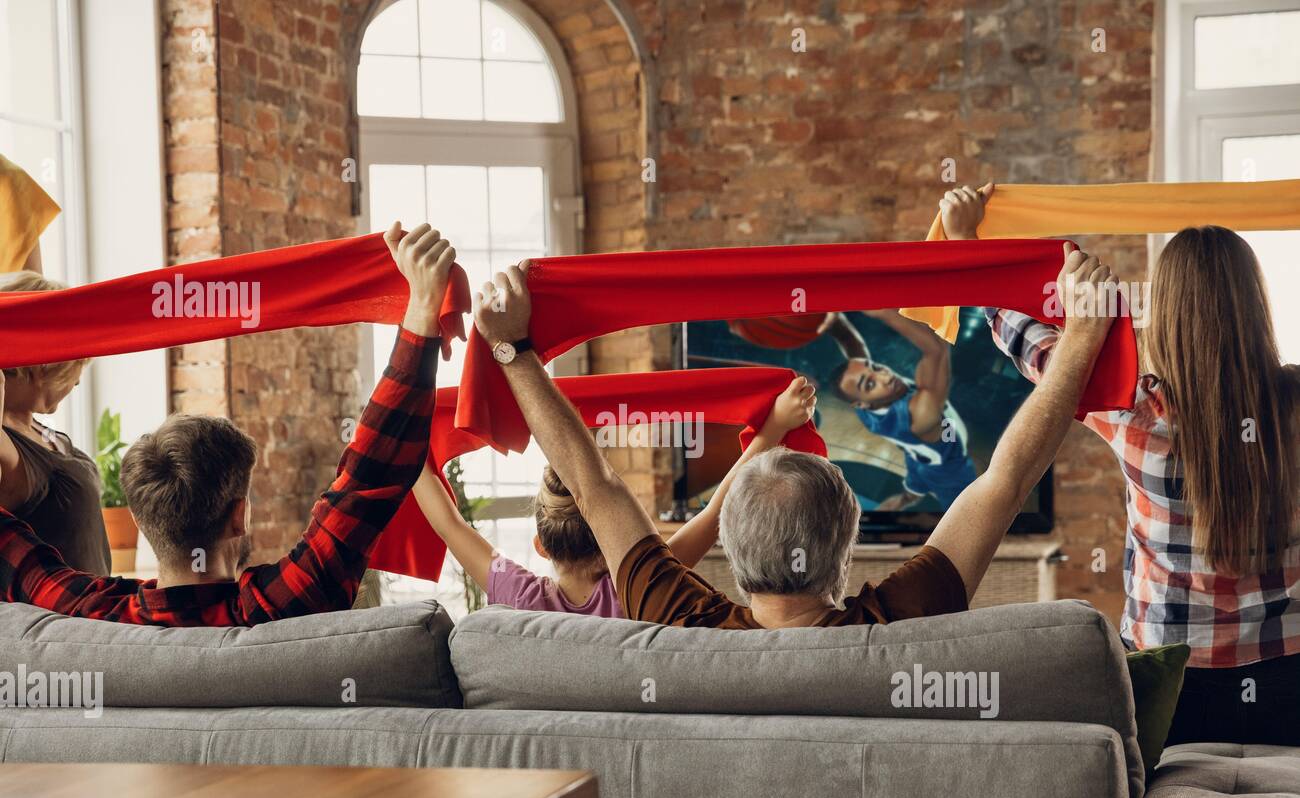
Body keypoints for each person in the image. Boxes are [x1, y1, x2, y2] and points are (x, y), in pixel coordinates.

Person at [467, 249, 1118, 630]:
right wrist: (1084, 336)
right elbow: (1004, 482)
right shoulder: (901, 623)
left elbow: (592, 484)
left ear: (731, 541)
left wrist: (512, 347)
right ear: (843, 546)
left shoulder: (671, 615)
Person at [943, 182, 1300, 746]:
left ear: (1167, 311)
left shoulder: (1129, 408)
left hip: (1169, 682)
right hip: (1288, 678)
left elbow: (1026, 339)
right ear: (1258, 306)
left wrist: (966, 241)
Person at [0, 223, 460, 625]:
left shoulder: (92, 620)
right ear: (239, 516)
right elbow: (368, 482)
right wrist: (420, 312)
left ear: (138, 522)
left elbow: (20, 556)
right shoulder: (282, 606)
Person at [411, 377, 817, 617]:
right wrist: (776, 425)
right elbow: (714, 514)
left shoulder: (520, 596)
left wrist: (395, 427)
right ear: (609, 538)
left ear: (542, 546)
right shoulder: (642, 589)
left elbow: (449, 523)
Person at [0, 273, 108, 574]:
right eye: (76, 365)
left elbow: (32, 287)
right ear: (43, 362)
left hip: (92, 614)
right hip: (57, 619)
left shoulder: (36, 430)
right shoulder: (9, 449)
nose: (76, 382)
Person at [820, 309, 977, 509]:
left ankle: (866, 527)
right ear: (862, 403)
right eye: (870, 384)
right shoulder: (918, 414)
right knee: (966, 512)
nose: (885, 377)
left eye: (876, 367)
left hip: (917, 462)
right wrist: (885, 312)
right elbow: (937, 350)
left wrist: (837, 324)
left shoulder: (867, 410)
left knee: (906, 498)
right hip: (950, 471)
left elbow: (855, 351)